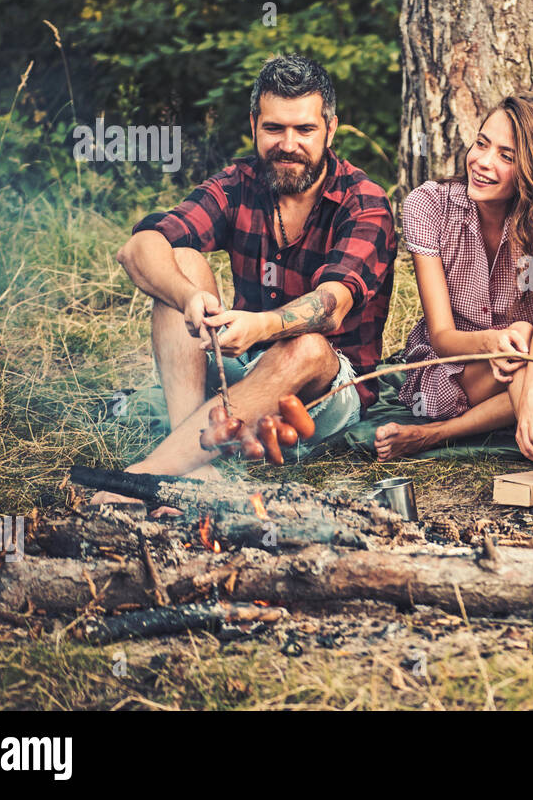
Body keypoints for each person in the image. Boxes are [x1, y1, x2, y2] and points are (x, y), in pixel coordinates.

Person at [93, 53, 396, 503]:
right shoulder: (239, 181)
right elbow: (139, 248)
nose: (288, 144)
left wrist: (262, 324)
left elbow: (331, 306)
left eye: (305, 130)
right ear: (254, 124)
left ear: (330, 129)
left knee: (306, 345)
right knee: (181, 258)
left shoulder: (364, 201)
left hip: (329, 388)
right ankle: (196, 459)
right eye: (274, 128)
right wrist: (189, 295)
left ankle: (152, 474)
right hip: (246, 361)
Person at [373, 94, 533, 521]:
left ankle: (438, 436)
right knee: (520, 345)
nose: (483, 161)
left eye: (506, 155)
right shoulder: (428, 205)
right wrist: (493, 341)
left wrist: (532, 390)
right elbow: (442, 337)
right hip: (457, 365)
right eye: (481, 144)